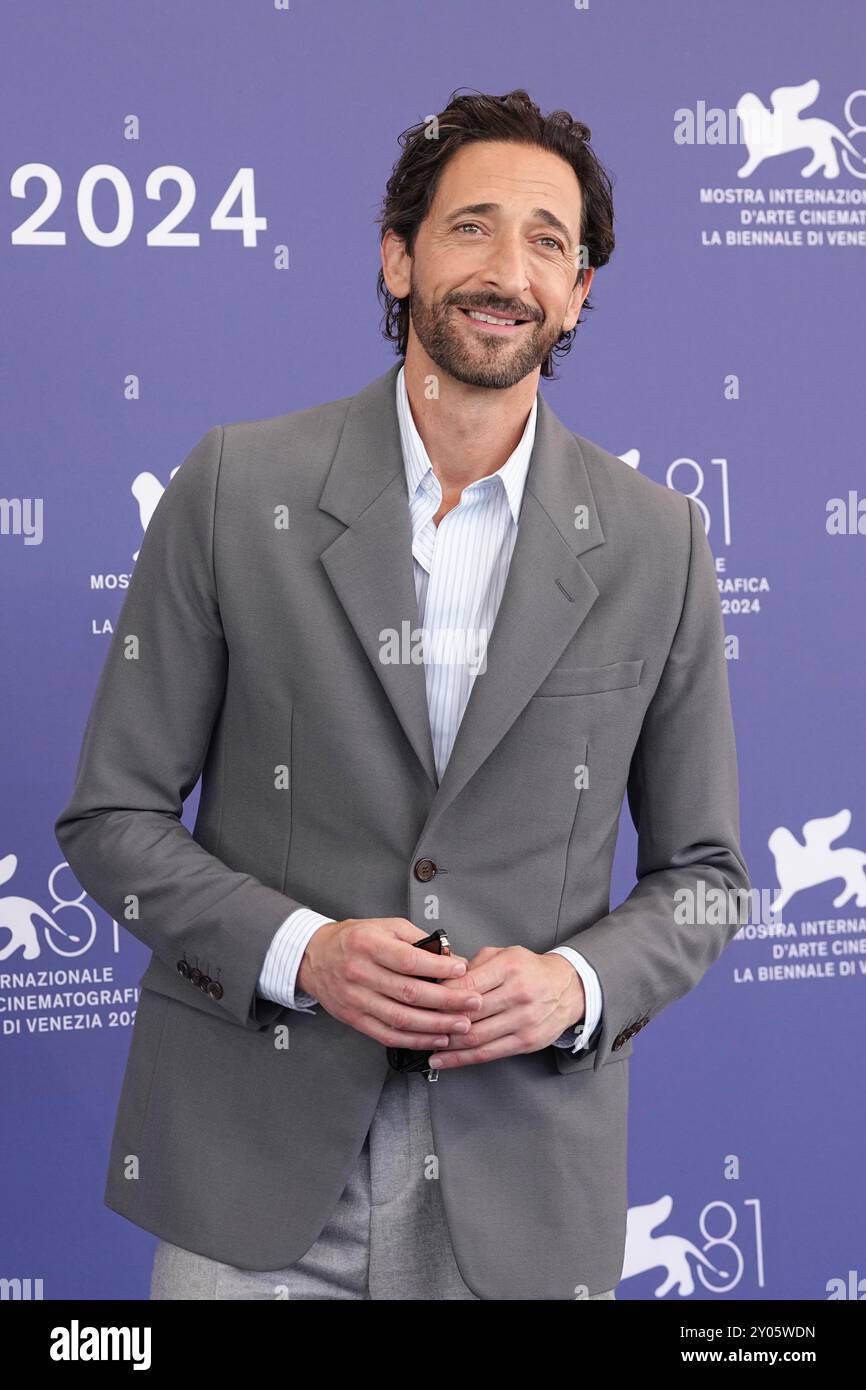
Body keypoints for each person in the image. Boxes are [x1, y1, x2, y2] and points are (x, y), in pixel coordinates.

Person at [55, 88, 750, 1301]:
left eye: (549, 242)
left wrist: (571, 985)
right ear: (398, 256)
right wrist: (302, 950)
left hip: (521, 1192)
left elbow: (704, 877)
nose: (509, 268)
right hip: (248, 1178)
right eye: (471, 226)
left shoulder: (658, 541)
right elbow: (112, 820)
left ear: (578, 292)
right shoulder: (235, 487)